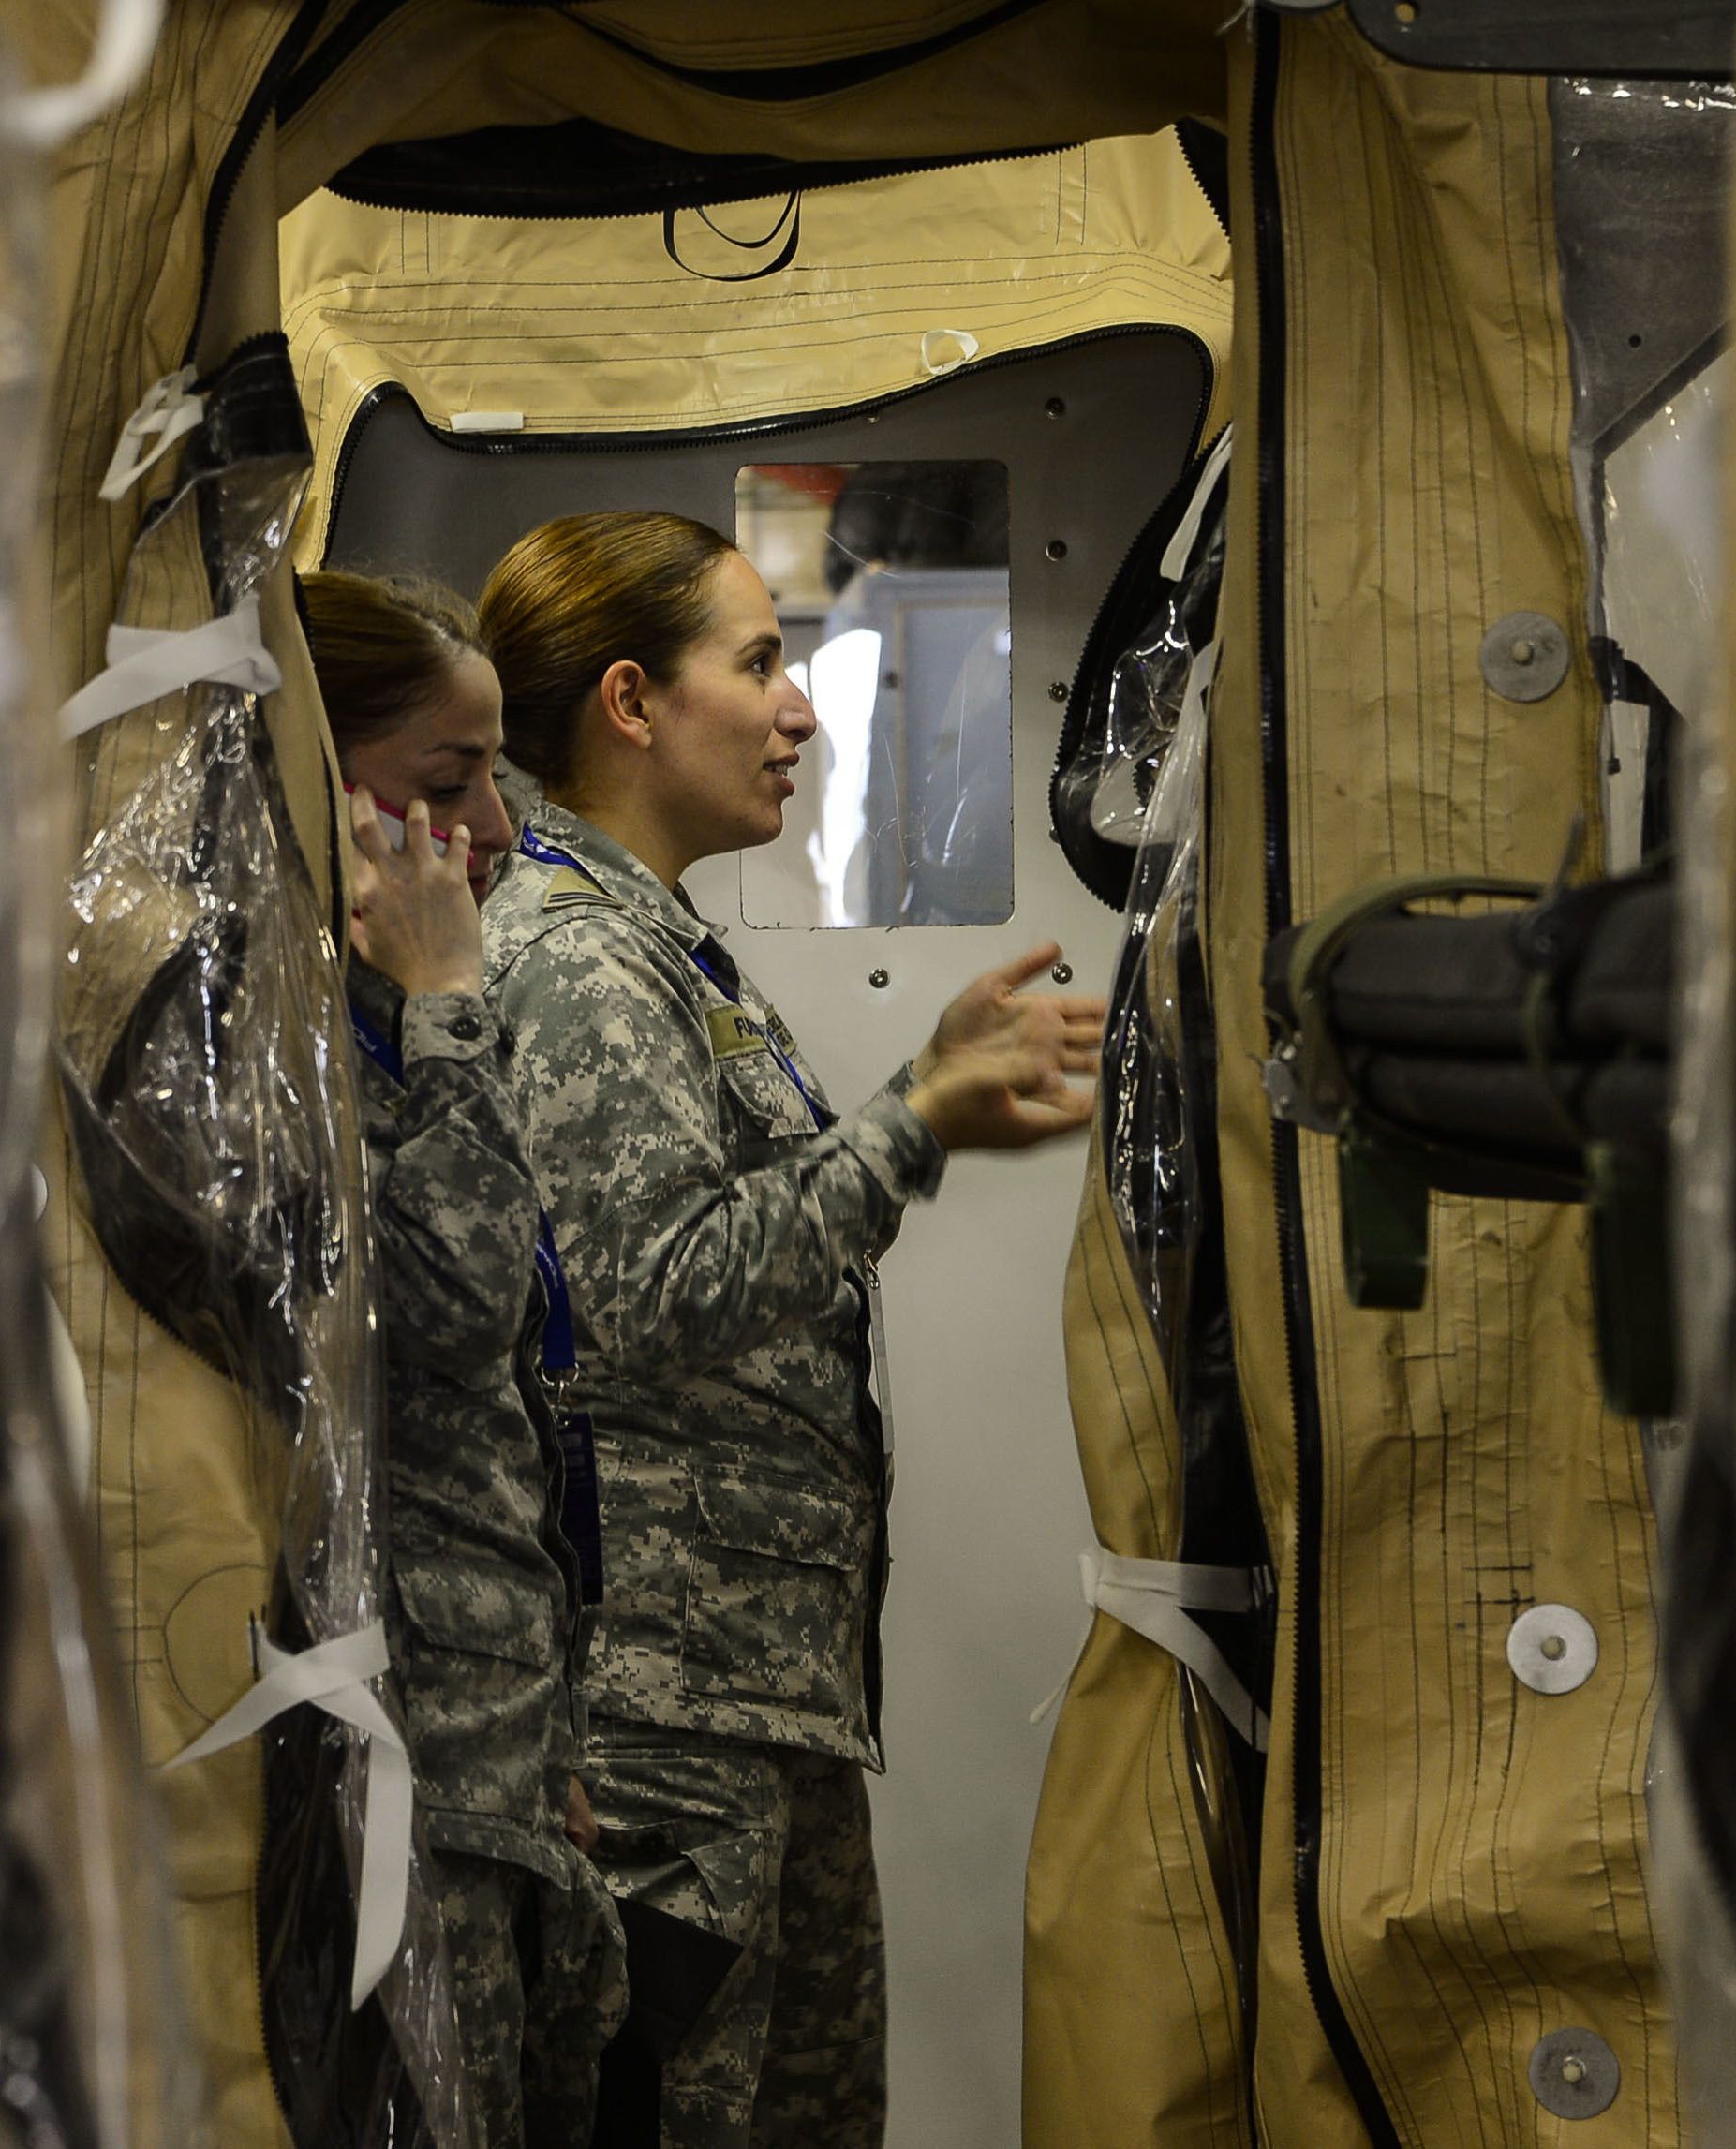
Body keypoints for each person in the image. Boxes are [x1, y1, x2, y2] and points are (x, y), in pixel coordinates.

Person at [474, 511, 1103, 2148]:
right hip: (662, 1714)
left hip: (757, 1699)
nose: (799, 708)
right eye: (757, 663)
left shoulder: (666, 955)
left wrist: (926, 1116)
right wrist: (911, 1123)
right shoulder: (577, 962)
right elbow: (652, 1288)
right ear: (630, 701)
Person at [302, 568, 626, 2148]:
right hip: (400, 1772)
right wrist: (447, 997)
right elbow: (452, 1300)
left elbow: (506, 1409)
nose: (494, 825)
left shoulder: (374, 1019)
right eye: (449, 778)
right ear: (316, 771)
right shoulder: (297, 1044)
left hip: (494, 1750)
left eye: (495, 772)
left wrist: (546, 1722)